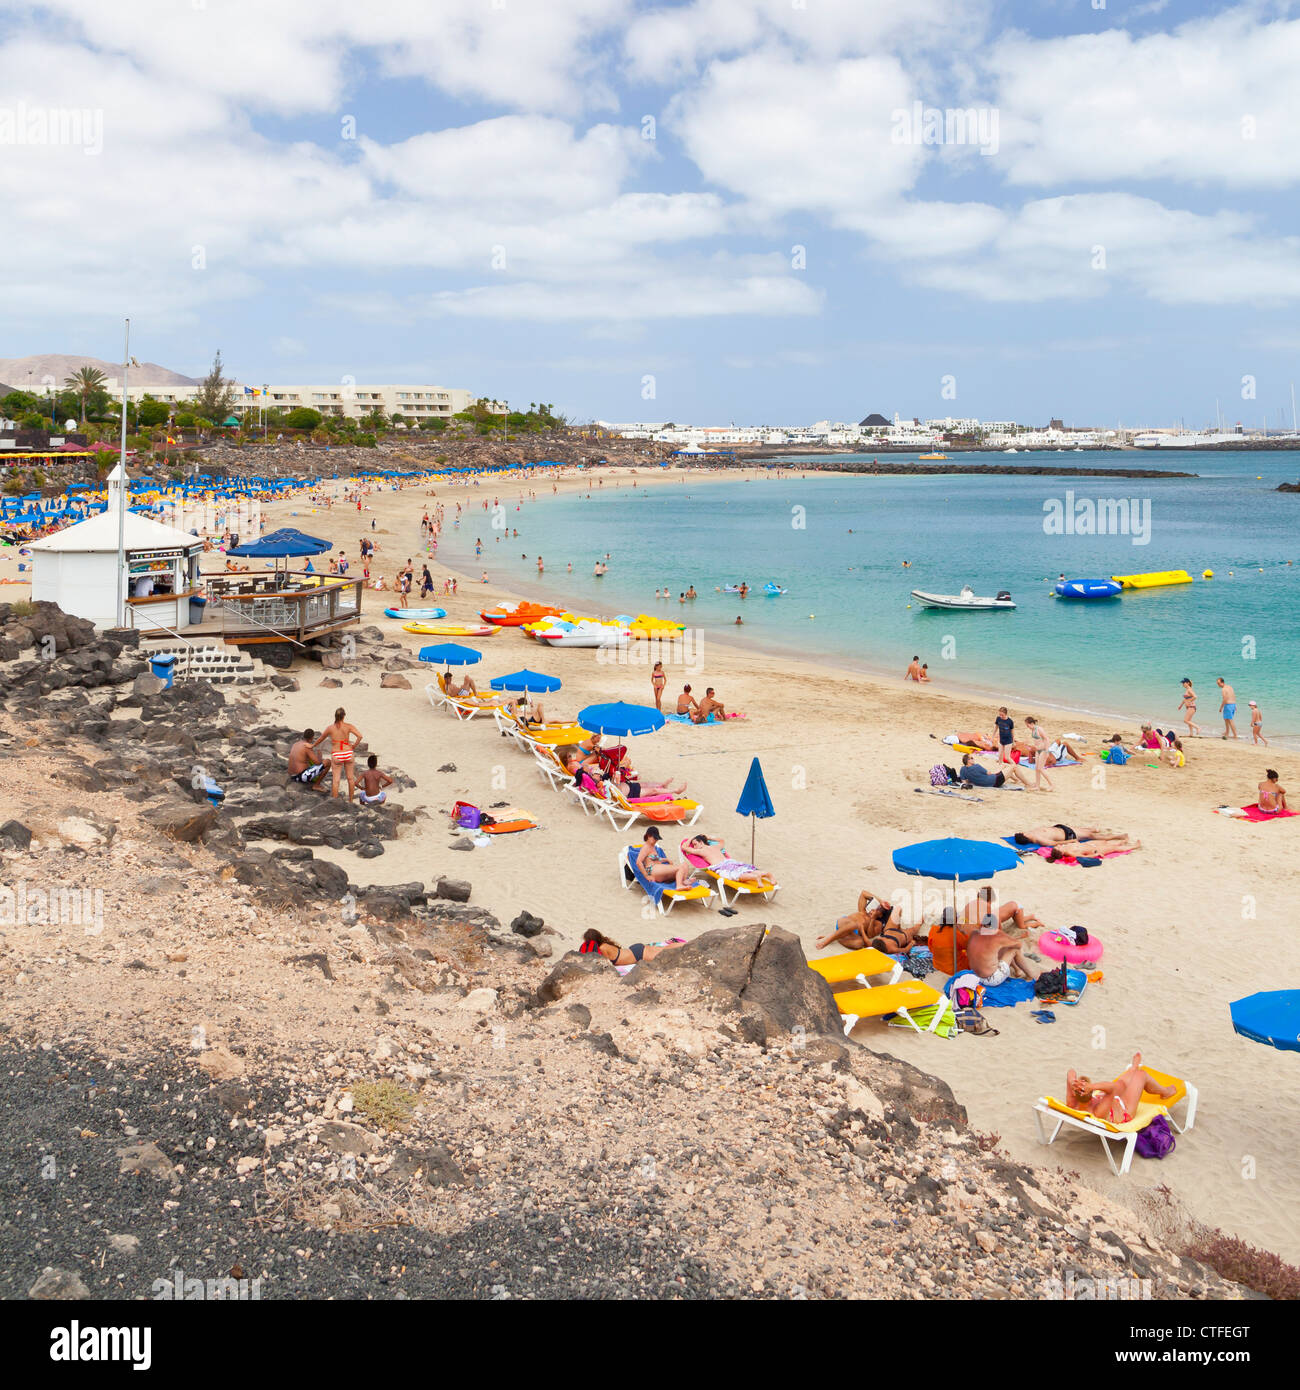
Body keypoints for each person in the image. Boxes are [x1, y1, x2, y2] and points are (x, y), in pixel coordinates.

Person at [1066, 1053, 1176, 1125]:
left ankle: (1133, 1068)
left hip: (1110, 1102)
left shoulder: (1072, 1102)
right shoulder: (1098, 1112)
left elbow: (1070, 1072)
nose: (1082, 1083)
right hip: (1124, 1110)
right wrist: (1093, 1086)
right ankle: (1166, 1092)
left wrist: (1072, 1081)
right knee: (1141, 1075)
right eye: (1084, 1084)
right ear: (1090, 1092)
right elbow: (1112, 1089)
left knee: (1121, 1084)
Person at [815, 889, 905, 952]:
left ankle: (837, 937)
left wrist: (873, 919)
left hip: (852, 934)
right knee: (854, 925)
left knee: (859, 943)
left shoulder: (877, 923)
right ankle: (827, 941)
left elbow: (870, 935)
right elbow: (863, 893)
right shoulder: (863, 911)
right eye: (873, 909)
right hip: (844, 923)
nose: (872, 910)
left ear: (880, 915)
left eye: (876, 911)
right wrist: (880, 901)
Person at [966, 915, 1037, 987]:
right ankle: (1030, 975)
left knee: (1003, 948)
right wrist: (1019, 938)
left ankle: (1017, 970)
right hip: (991, 980)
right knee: (1014, 950)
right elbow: (1018, 945)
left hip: (977, 975)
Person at [681, 834, 769, 887]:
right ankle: (766, 874)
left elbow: (684, 847)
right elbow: (722, 841)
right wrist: (709, 837)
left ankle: (755, 877)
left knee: (736, 876)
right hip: (730, 861)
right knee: (743, 870)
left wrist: (690, 839)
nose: (694, 847)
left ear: (701, 842)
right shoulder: (715, 846)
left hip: (722, 866)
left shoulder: (701, 851)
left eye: (695, 844)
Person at [313, 707, 361, 801]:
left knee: (336, 780)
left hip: (337, 754)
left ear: (335, 716)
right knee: (350, 779)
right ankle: (351, 800)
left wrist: (312, 745)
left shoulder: (330, 728)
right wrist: (354, 745)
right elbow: (360, 736)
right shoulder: (349, 726)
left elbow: (321, 738)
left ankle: (335, 801)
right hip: (348, 753)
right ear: (344, 716)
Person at [961, 885, 1043, 935]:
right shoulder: (987, 910)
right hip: (1013, 907)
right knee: (1018, 920)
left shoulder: (992, 914)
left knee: (1021, 926)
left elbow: (1000, 930)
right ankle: (1031, 916)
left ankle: (1037, 923)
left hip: (1017, 908)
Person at [1012, 824, 1140, 856]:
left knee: (1088, 831)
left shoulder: (1031, 833)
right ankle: (1120, 837)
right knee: (1092, 837)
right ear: (1026, 836)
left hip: (1061, 828)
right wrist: (1070, 842)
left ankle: (1093, 828)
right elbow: (1055, 843)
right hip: (1068, 835)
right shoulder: (1039, 840)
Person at [578, 928, 685, 966]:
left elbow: (605, 964)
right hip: (634, 950)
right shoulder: (605, 944)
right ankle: (685, 944)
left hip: (637, 954)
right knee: (664, 949)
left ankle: (687, 945)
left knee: (664, 952)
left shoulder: (602, 949)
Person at [958, 752, 1037, 789]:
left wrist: (975, 780)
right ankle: (1028, 784)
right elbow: (991, 773)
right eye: (971, 758)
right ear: (968, 761)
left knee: (1007, 768)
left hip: (990, 781)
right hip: (995, 781)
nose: (973, 759)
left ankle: (1016, 780)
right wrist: (1001, 768)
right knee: (1013, 767)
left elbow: (964, 782)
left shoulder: (963, 770)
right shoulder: (977, 766)